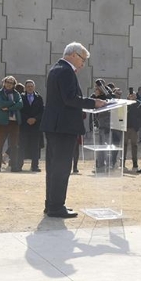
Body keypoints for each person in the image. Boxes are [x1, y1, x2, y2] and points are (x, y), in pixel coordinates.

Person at [41, 42, 104, 218]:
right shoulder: (66, 71)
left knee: (54, 167)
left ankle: (52, 204)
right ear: (74, 55)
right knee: (61, 167)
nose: (83, 64)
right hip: (63, 127)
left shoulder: (57, 68)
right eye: (83, 60)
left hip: (55, 126)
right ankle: (56, 206)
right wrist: (93, 103)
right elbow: (70, 99)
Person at [0, 76, 23, 173]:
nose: (9, 84)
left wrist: (9, 108)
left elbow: (20, 104)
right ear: (4, 83)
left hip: (14, 122)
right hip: (2, 122)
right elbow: (0, 104)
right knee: (0, 144)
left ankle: (14, 166)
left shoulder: (17, 94)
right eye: (7, 82)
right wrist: (13, 103)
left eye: (11, 83)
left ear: (14, 84)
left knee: (14, 145)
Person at [18, 79, 43, 172]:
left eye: (31, 86)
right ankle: (19, 165)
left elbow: (42, 111)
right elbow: (19, 111)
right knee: (22, 145)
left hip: (36, 126)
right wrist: (27, 119)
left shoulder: (39, 98)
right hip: (24, 126)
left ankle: (35, 166)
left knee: (35, 146)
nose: (30, 88)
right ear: (25, 88)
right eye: (28, 86)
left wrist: (35, 119)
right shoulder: (21, 97)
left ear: (34, 87)